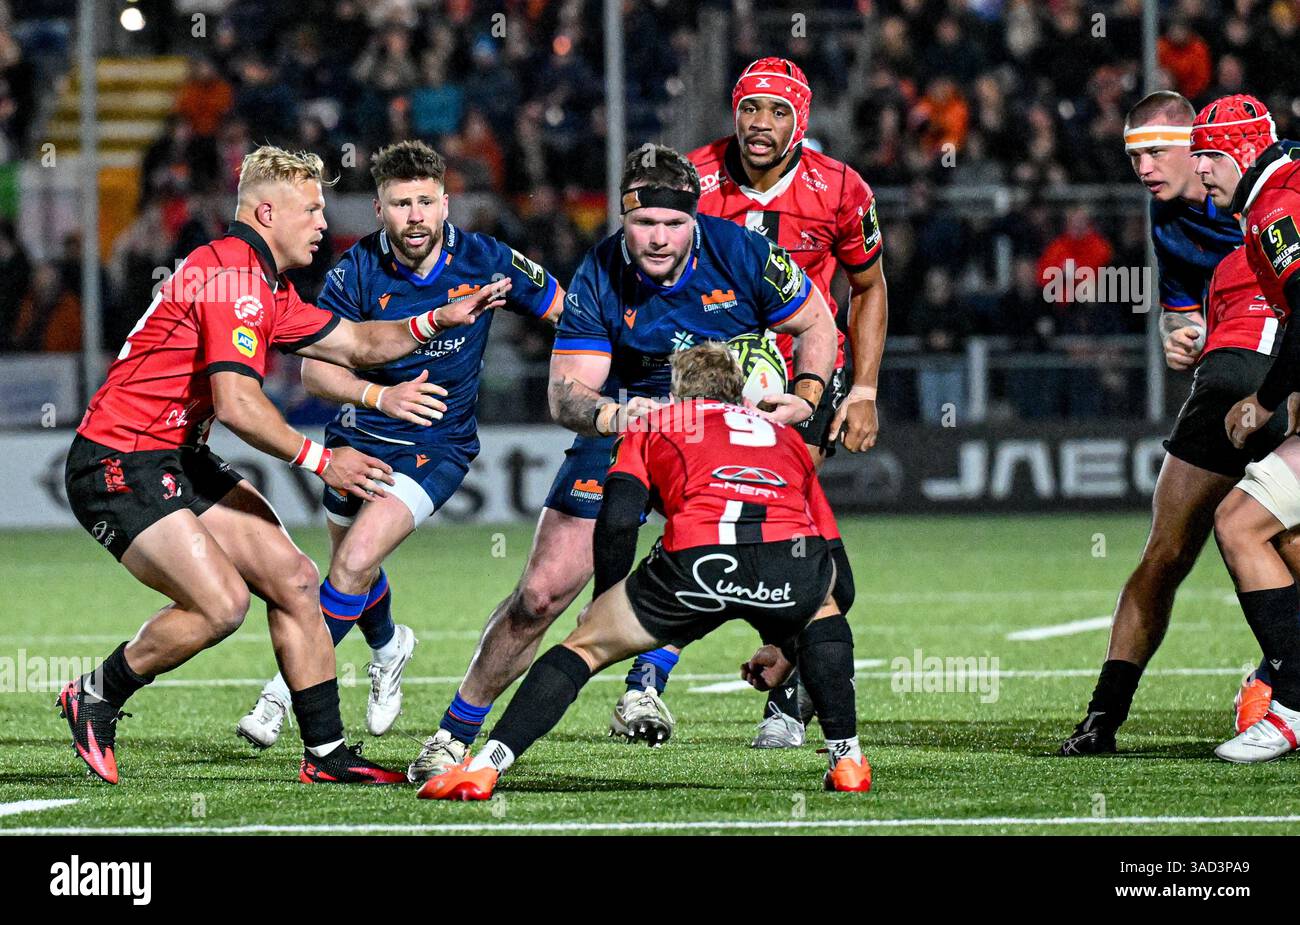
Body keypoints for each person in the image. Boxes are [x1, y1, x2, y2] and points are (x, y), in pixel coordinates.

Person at [59, 145, 506, 785]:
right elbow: (238, 404)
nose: (323, 222)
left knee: (295, 579)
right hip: (118, 458)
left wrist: (436, 318)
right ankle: (97, 693)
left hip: (176, 455)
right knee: (220, 606)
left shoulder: (266, 283)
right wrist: (324, 460)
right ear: (268, 211)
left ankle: (326, 756)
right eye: (312, 209)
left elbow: (355, 341)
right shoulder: (232, 276)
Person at [404, 144, 838, 781]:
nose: (658, 239)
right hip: (630, 428)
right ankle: (453, 734)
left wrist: (806, 398)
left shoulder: (743, 252)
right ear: (622, 220)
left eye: (672, 224)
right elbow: (566, 394)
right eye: (643, 224)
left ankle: (807, 712)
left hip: (725, 436)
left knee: (815, 578)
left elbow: (817, 324)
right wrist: (623, 416)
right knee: (539, 594)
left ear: (694, 220)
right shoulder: (601, 270)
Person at [415, 343, 871, 799]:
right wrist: (789, 645)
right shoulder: (786, 438)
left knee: (582, 650)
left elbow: (617, 519)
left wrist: (604, 602)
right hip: (787, 564)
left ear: (677, 394)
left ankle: (485, 766)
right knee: (826, 615)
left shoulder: (655, 423)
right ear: (741, 394)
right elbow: (840, 577)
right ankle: (847, 760)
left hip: (697, 562)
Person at [233, 141, 561, 749]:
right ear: (379, 210)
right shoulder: (354, 271)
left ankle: (281, 696)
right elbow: (313, 373)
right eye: (399, 203)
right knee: (352, 570)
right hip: (359, 439)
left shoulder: (488, 259)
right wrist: (380, 397)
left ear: (446, 203)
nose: (415, 216)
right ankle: (389, 646)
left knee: (354, 561)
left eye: (425, 202)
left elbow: (568, 313)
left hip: (437, 446)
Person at [614, 56, 888, 749]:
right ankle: (648, 677)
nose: (760, 124)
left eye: (778, 111)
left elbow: (870, 285)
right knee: (703, 522)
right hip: (703, 386)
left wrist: (861, 388)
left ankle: (786, 695)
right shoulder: (692, 178)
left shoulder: (842, 189)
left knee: (785, 534)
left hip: (800, 391)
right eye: (750, 108)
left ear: (803, 121)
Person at [1059, 92, 1296, 756]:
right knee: (1180, 548)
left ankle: (1281, 684)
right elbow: (1181, 309)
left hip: (1272, 369)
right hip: (1234, 375)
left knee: (1253, 537)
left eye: (1158, 151)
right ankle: (1105, 715)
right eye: (1133, 155)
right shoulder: (1171, 217)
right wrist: (1180, 332)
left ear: (1206, 146)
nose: (1144, 169)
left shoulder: (1278, 184)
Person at [1185, 95, 1300, 761]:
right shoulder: (1279, 190)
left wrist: (1265, 398)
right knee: (1281, 532)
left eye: (1209, 155)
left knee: (1238, 522)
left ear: (1241, 153)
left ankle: (1289, 704)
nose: (1199, 171)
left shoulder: (1276, 209)